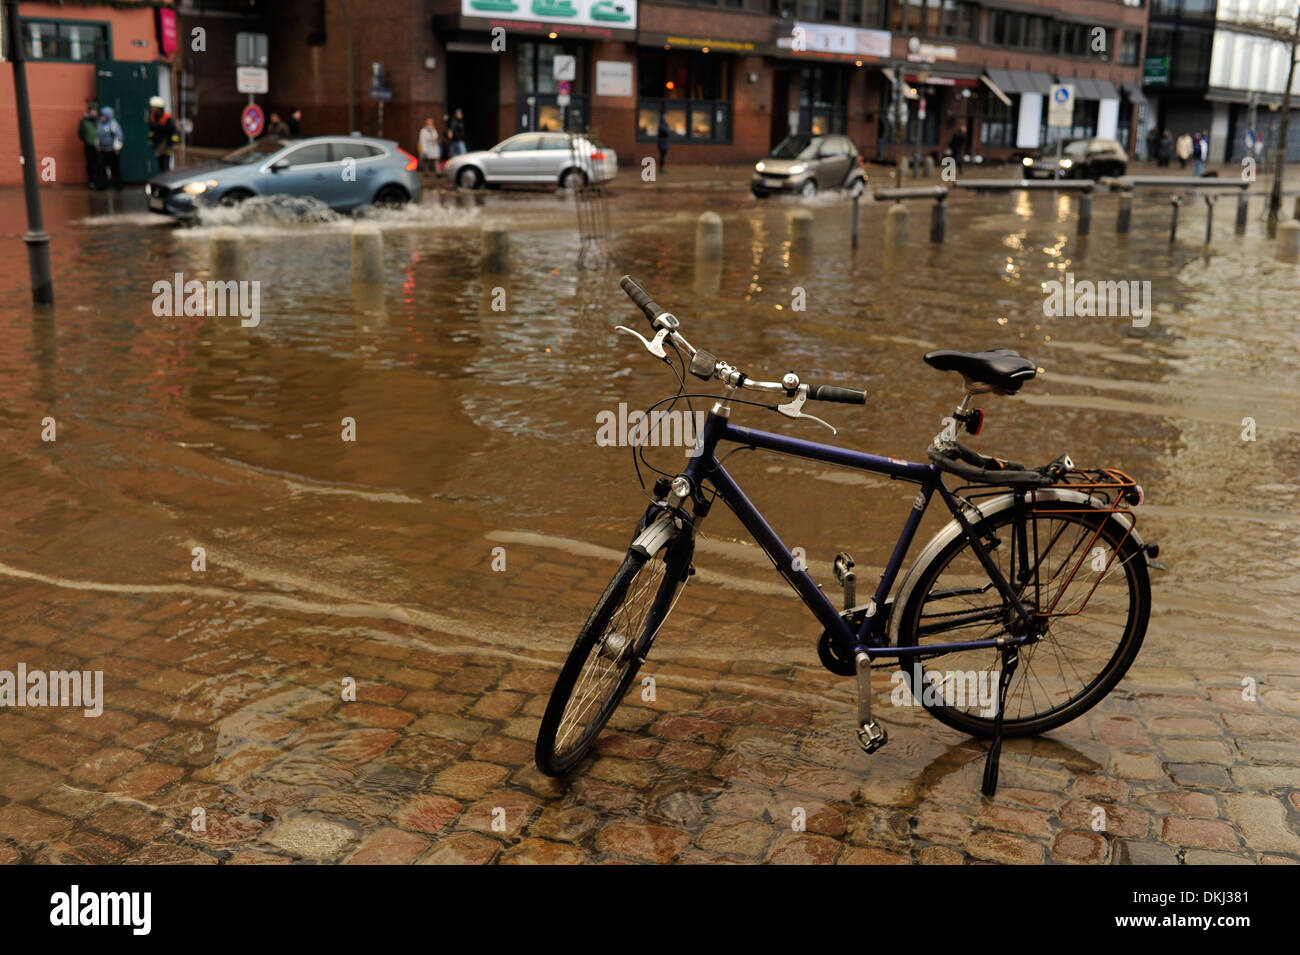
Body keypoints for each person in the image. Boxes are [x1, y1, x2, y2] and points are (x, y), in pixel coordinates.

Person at [147, 96, 179, 174]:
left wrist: (173, 144)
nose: (152, 109)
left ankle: (168, 182)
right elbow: (151, 131)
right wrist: (151, 140)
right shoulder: (152, 117)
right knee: (160, 166)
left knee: (166, 166)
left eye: (154, 107)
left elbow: (174, 132)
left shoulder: (167, 118)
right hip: (158, 145)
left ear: (159, 108)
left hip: (167, 145)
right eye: (152, 107)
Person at [95, 106, 124, 190]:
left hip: (112, 150)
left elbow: (118, 136)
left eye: (104, 115)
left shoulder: (113, 124)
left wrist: (117, 148)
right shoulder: (100, 124)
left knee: (115, 168)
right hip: (103, 150)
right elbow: (97, 136)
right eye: (102, 115)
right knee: (101, 168)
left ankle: (118, 185)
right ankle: (101, 185)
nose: (102, 117)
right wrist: (97, 145)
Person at [79, 102, 100, 188]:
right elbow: (81, 133)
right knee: (90, 163)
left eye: (95, 111)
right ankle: (91, 181)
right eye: (92, 111)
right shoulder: (84, 121)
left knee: (99, 164)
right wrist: (86, 140)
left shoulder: (99, 120)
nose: (94, 113)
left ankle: (99, 181)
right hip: (89, 145)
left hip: (99, 146)